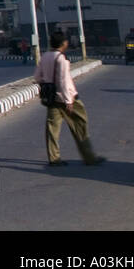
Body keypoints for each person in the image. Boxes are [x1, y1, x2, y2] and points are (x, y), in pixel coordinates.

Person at [34, 31, 106, 167]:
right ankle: (89, 157)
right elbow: (63, 81)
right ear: (63, 43)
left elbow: (37, 77)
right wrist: (68, 101)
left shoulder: (45, 57)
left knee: (52, 130)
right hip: (68, 99)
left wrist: (47, 83)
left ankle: (54, 159)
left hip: (52, 100)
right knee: (80, 125)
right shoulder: (61, 59)